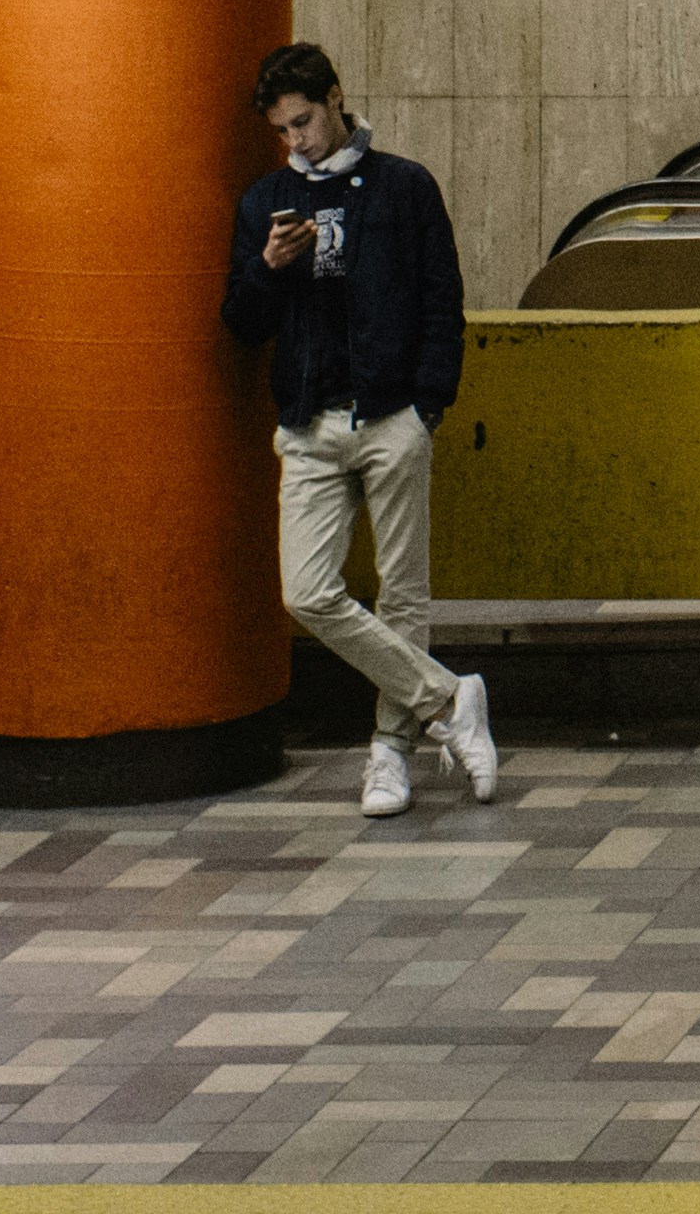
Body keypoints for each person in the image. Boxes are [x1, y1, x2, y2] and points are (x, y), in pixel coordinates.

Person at [217, 40, 497, 816]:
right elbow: (241, 324)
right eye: (282, 131)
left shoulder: (403, 187)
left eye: (303, 122)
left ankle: (391, 755)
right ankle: (449, 700)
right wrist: (268, 267)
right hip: (309, 422)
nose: (296, 141)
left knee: (404, 594)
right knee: (307, 592)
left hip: (392, 415)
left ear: (336, 99)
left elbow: (443, 299)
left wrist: (426, 405)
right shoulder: (264, 202)